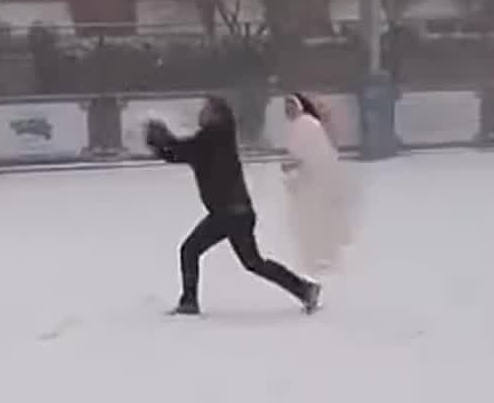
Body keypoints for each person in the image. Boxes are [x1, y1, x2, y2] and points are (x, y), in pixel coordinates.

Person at [145, 96, 321, 316]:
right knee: (253, 262)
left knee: (190, 250)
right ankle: (304, 289)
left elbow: (181, 151)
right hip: (239, 212)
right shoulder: (220, 137)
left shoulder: (212, 138)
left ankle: (189, 302)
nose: (202, 113)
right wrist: (163, 145)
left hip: (227, 213)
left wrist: (161, 141)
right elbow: (182, 152)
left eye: (207, 110)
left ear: (217, 115)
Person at [280, 93, 358, 277]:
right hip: (312, 181)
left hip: (314, 182)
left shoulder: (305, 125)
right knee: (315, 219)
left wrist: (292, 166)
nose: (287, 111)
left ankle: (321, 257)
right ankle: (320, 255)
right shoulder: (303, 125)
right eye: (285, 107)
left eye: (291, 106)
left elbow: (311, 155)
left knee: (315, 218)